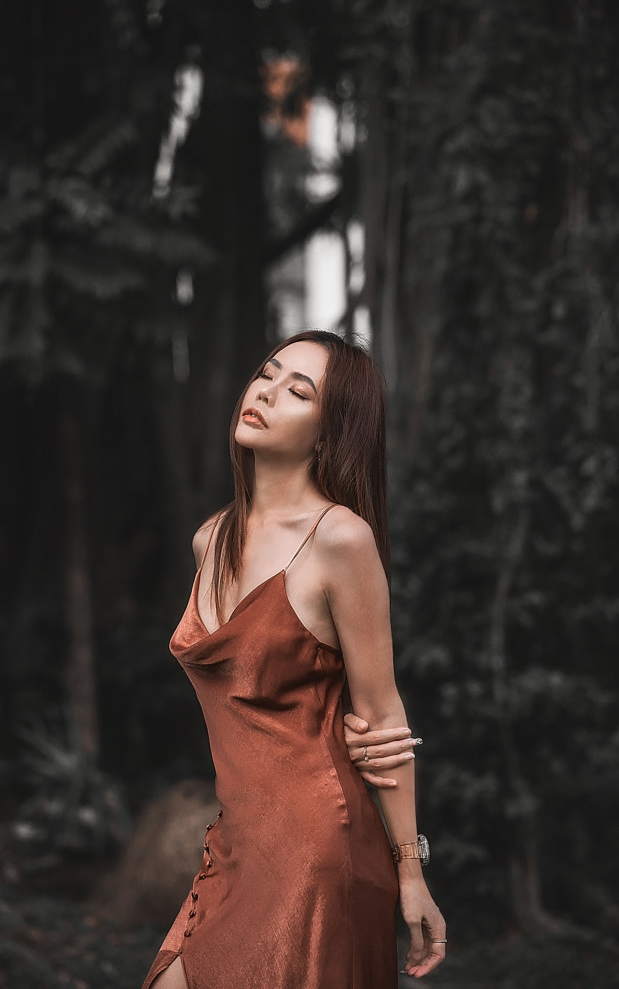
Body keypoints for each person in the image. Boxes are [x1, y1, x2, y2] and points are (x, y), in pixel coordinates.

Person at [142, 331, 446, 989]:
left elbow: (381, 714)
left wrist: (410, 874)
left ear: (327, 434)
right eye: (267, 374)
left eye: (298, 390)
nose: (266, 392)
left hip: (317, 850)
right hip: (233, 847)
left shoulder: (339, 538)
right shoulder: (210, 539)